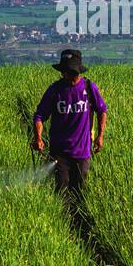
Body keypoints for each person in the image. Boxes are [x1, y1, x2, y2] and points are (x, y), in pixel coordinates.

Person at [31, 48, 106, 192]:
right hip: (59, 152)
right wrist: (38, 138)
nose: (66, 75)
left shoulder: (89, 88)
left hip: (82, 152)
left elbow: (102, 110)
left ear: (78, 72)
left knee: (80, 190)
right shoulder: (55, 90)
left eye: (70, 72)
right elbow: (39, 116)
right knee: (61, 191)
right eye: (64, 71)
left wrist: (100, 136)